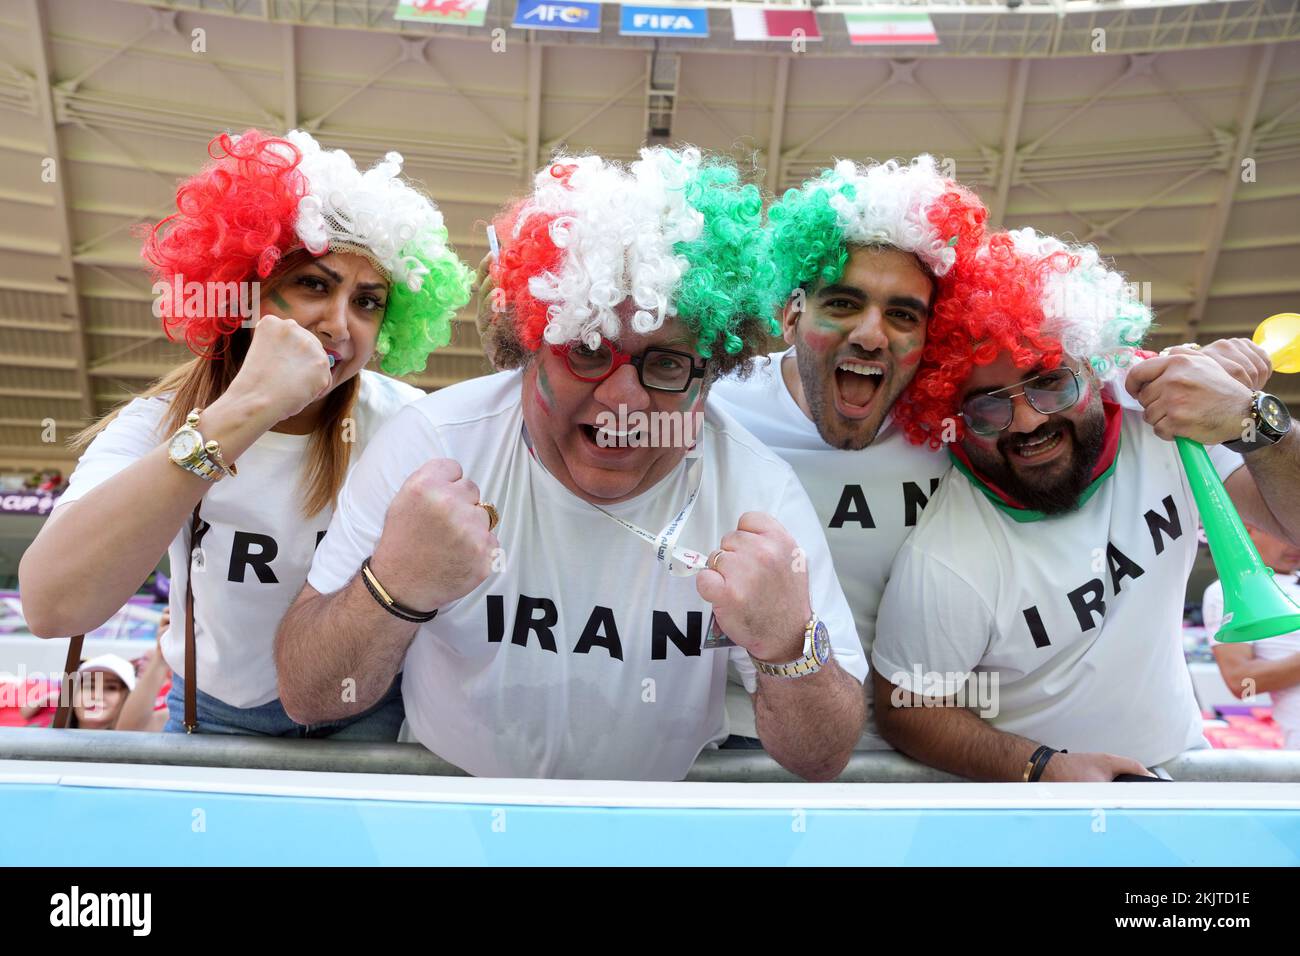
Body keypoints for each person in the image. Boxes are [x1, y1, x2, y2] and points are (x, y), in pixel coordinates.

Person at [276, 148, 868, 781]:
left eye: (666, 363)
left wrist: (787, 649)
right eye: (587, 350)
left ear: (711, 371)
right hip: (456, 815)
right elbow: (309, 694)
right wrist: (391, 587)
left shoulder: (758, 491)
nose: (624, 398)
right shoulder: (436, 443)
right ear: (529, 344)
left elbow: (822, 755)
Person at [19, 129, 473, 738]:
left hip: (366, 715)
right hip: (213, 718)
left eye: (368, 302)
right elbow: (52, 605)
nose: (339, 324)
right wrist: (244, 413)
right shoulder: (159, 420)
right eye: (313, 284)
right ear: (244, 290)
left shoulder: (411, 425)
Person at [872, 228, 1300, 781]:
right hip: (1036, 812)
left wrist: (1255, 419)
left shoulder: (1168, 426)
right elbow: (908, 709)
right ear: (950, 414)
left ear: (1096, 367)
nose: (1027, 422)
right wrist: (1041, 768)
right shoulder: (943, 556)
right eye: (988, 408)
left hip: (1178, 779)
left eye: (1050, 384)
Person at [710, 155, 987, 747]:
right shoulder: (712, 410)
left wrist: (1231, 405)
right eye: (841, 303)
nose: (870, 334)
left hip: (910, 749)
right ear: (790, 314)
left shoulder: (965, 422)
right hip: (742, 746)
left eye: (903, 314)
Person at [1205, 525, 1300, 748]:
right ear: (1248, 529)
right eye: (1283, 531)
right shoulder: (1233, 590)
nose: (1295, 541)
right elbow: (1241, 681)